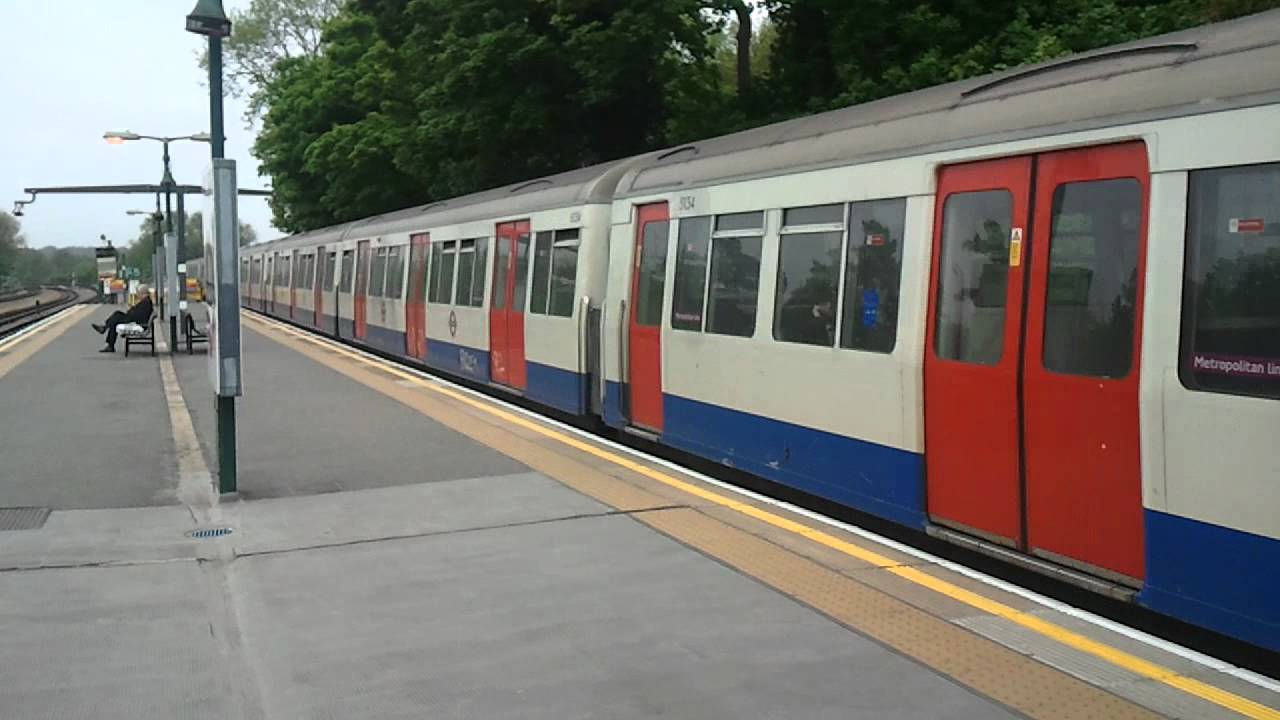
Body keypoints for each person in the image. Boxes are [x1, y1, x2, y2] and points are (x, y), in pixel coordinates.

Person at [91, 286, 153, 353]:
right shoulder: (146, 301)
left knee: (116, 316)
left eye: (138, 293)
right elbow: (138, 312)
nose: (137, 295)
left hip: (137, 322)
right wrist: (132, 310)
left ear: (142, 293)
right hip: (134, 320)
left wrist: (131, 311)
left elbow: (138, 315)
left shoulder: (146, 302)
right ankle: (108, 340)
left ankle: (105, 330)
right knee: (114, 320)